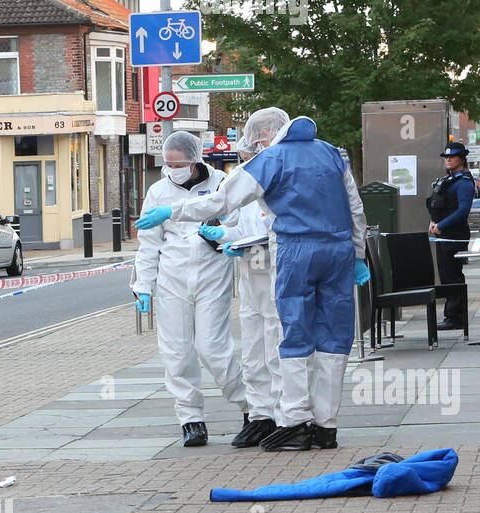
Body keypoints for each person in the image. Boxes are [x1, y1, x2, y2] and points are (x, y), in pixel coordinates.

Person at [154, 107, 368, 451]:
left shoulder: (273, 159)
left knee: (292, 336)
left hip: (295, 251)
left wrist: (172, 211)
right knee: (334, 337)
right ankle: (326, 425)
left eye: (252, 142)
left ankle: (295, 421)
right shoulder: (332, 153)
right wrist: (358, 254)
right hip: (338, 252)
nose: (251, 147)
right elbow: (355, 207)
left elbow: (221, 200)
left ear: (263, 137)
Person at [132, 130, 248, 447]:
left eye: (178, 164)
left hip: (212, 273)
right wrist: (143, 285)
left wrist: (223, 234)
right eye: (167, 164)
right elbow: (148, 244)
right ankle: (191, 420)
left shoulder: (221, 186)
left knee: (213, 348)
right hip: (173, 280)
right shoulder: (157, 192)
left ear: (195, 161)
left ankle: (251, 407)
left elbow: (239, 224)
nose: (172, 170)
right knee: (178, 353)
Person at [200, 134, 285, 448]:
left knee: (276, 345)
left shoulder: (278, 178)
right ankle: (259, 415)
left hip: (276, 273)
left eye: (248, 154)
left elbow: (275, 228)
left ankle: (282, 415)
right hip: (251, 274)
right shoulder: (243, 184)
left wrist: (242, 240)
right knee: (252, 347)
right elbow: (239, 224)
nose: (244, 160)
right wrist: (224, 235)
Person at [426, 141, 475, 332]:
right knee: (446, 275)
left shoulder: (463, 183)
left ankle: (456, 317)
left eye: (452, 157)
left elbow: (463, 211)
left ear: (461, 159)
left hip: (454, 235)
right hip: (443, 234)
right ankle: (452, 315)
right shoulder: (449, 180)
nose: (448, 160)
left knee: (453, 276)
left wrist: (441, 225)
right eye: (446, 157)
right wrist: (433, 221)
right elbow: (438, 204)